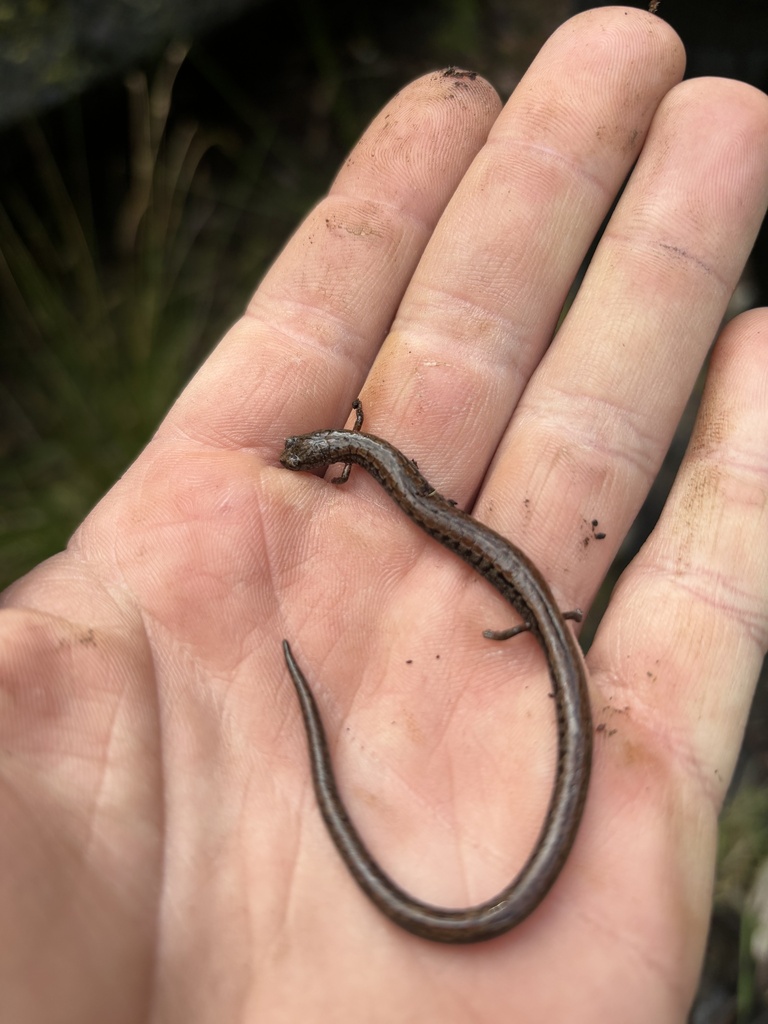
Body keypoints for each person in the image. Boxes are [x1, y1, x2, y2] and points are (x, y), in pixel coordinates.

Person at [2, 6, 767, 1021]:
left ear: (336, 457)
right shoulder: (362, 453)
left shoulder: (357, 458)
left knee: (537, 615)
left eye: (315, 453)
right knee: (532, 609)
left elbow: (364, 459)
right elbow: (369, 457)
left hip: (500, 567)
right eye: (316, 454)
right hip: (496, 564)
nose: (315, 456)